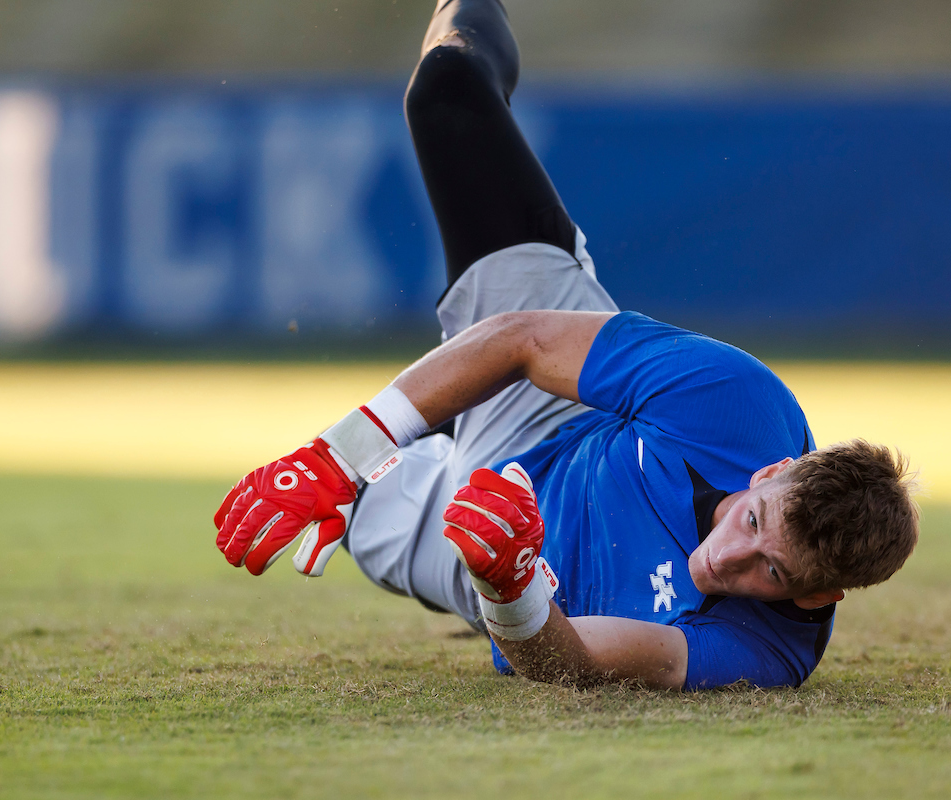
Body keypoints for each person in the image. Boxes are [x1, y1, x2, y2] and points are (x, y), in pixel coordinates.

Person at [213, 0, 919, 691]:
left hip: (513, 566)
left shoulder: (768, 652)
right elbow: (522, 340)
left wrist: (509, 582)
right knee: (447, 94)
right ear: (768, 473)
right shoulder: (734, 399)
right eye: (753, 521)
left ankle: (440, 510)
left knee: (355, 526)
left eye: (772, 574)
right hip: (556, 416)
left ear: (818, 600)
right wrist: (344, 454)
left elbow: (571, 661)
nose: (729, 558)